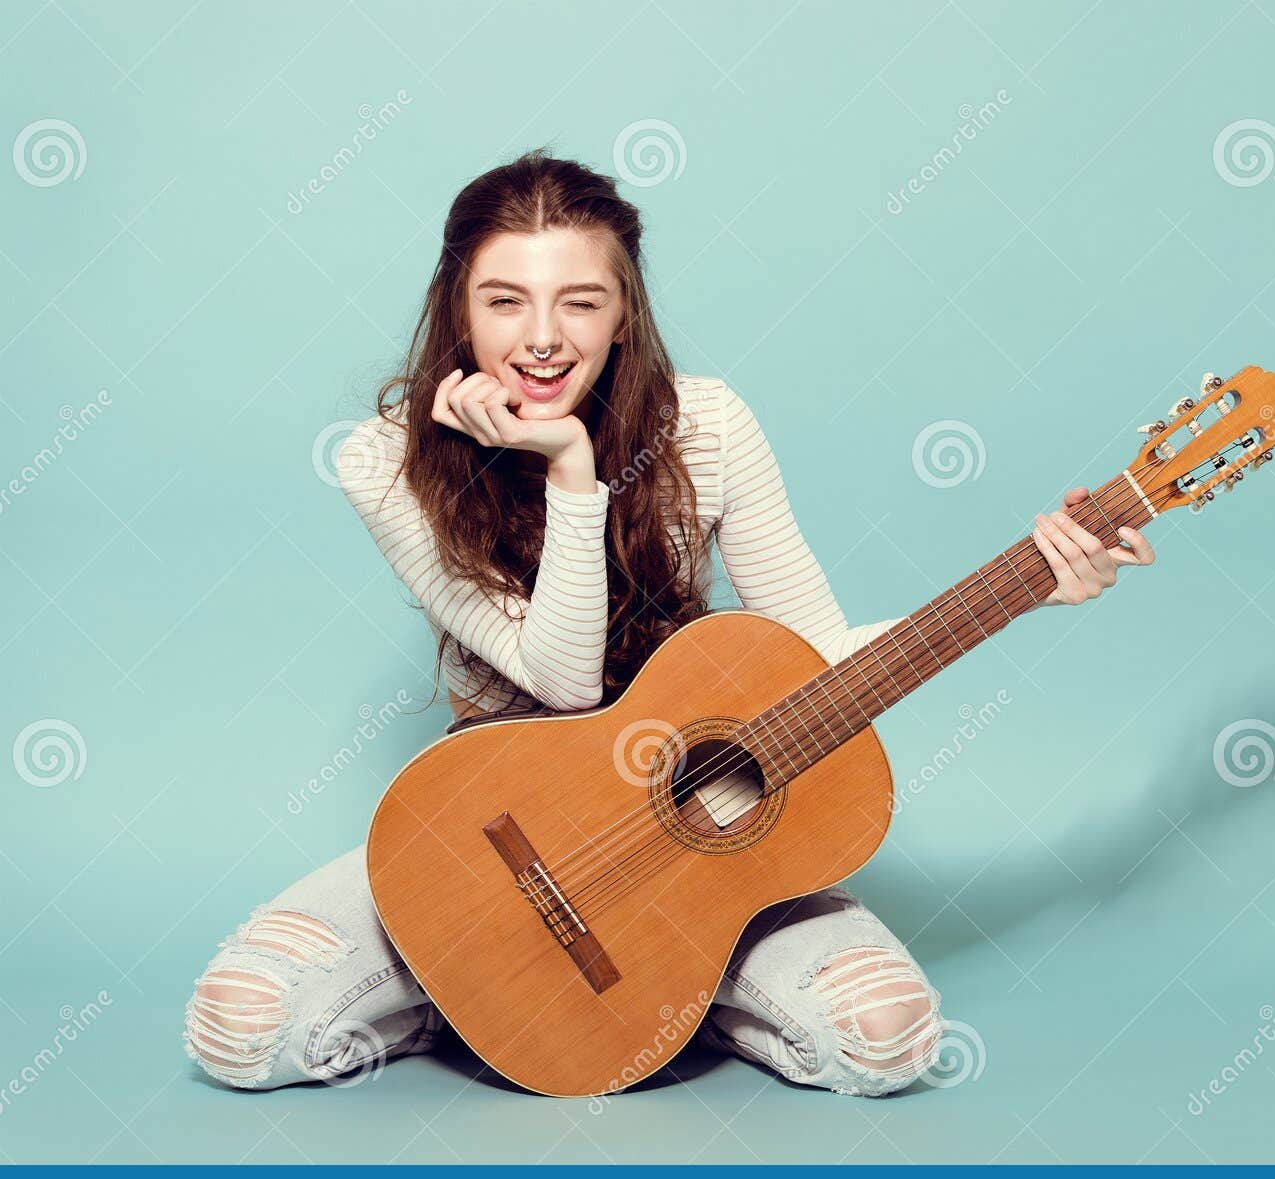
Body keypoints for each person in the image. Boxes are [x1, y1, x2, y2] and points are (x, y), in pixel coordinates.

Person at [181, 148, 1155, 1098]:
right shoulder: (385, 458)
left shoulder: (709, 425)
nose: (542, 337)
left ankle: (683, 968)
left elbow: (812, 658)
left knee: (884, 1041)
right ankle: (471, 976)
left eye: (581, 301)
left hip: (701, 834)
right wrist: (569, 466)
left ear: (624, 314)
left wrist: (1030, 583)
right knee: (240, 1026)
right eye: (504, 300)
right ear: (457, 307)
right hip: (494, 835)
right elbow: (558, 679)